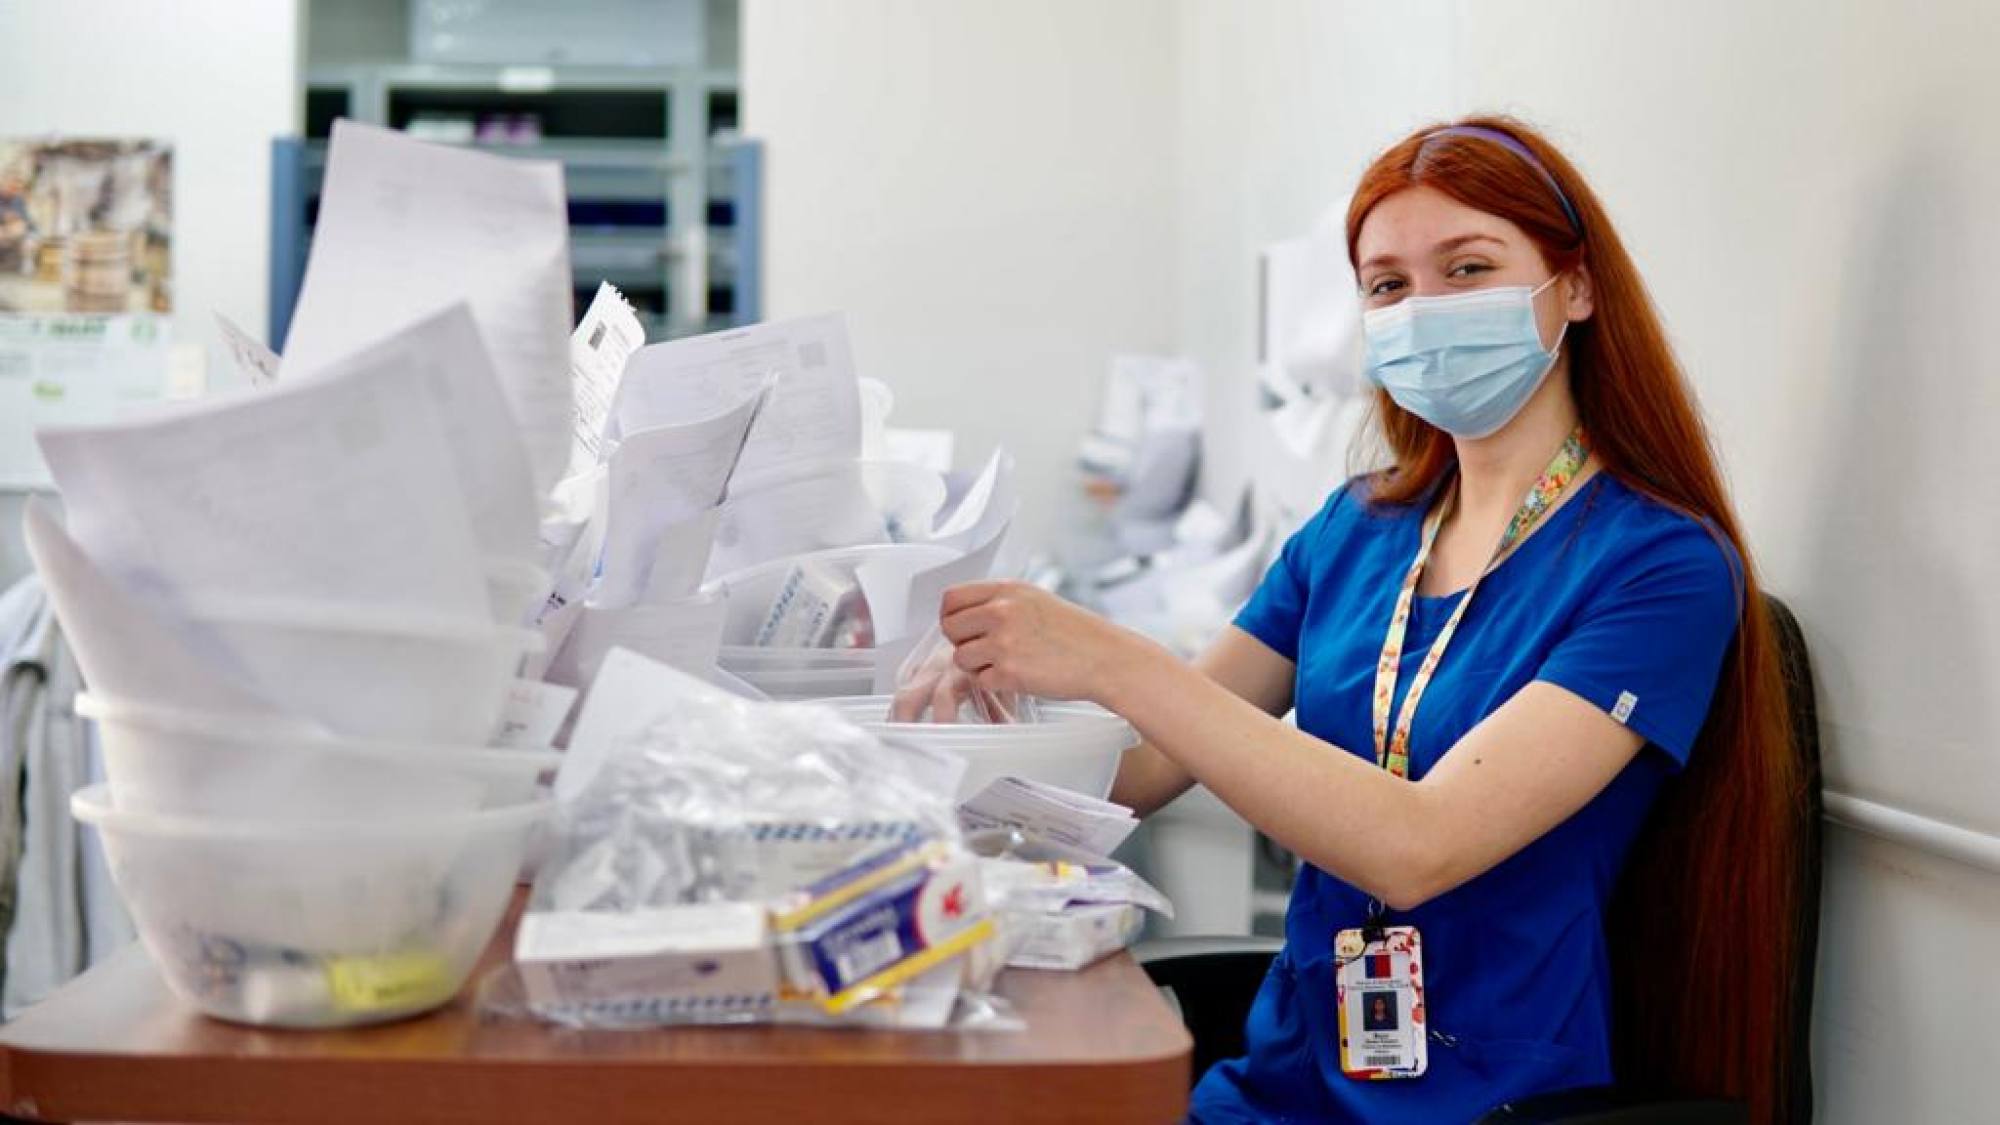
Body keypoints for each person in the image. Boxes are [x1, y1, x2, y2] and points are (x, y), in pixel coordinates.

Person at [902, 116, 1803, 1121]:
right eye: (1387, 286)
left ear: (1576, 289)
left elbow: (1416, 847)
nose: (1424, 311)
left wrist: (1108, 660)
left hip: (1483, 1097)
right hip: (1282, 1080)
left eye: (1466, 269)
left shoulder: (1660, 566)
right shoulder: (1357, 526)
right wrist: (959, 727)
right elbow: (1140, 776)